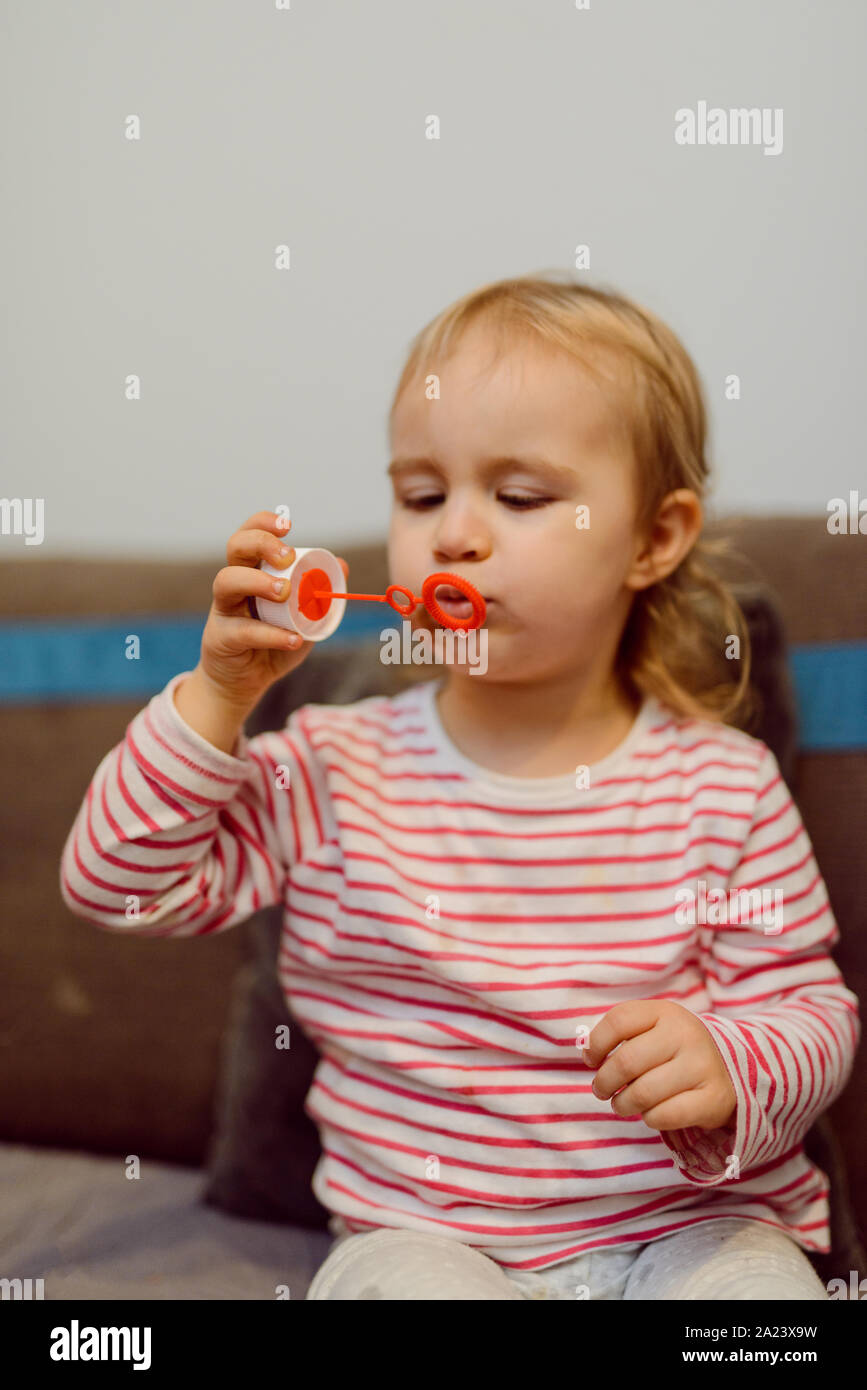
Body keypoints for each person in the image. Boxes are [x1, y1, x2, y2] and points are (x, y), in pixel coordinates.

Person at [59, 274, 859, 1300]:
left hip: (696, 1232)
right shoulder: (332, 766)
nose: (452, 535)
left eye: (519, 497)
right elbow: (116, 881)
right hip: (431, 1243)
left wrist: (730, 1060)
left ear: (655, 539)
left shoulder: (725, 785)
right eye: (421, 494)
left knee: (763, 1306)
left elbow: (810, 1010)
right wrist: (218, 698)